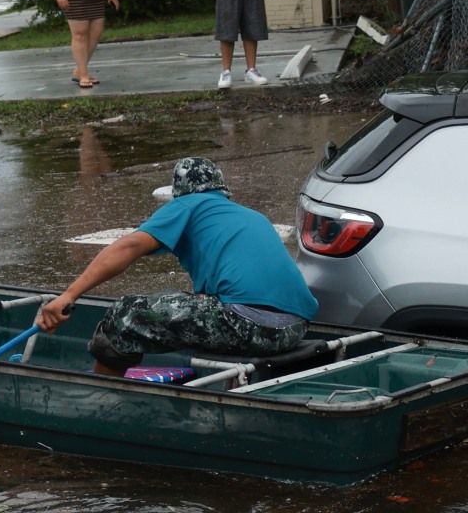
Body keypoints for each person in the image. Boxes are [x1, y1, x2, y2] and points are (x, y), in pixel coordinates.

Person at [36, 157, 317, 376]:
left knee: (127, 313)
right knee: (193, 301)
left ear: (179, 192)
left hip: (249, 326)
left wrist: (68, 295)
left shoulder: (189, 204)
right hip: (293, 330)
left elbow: (128, 247)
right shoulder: (249, 216)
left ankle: (101, 390)